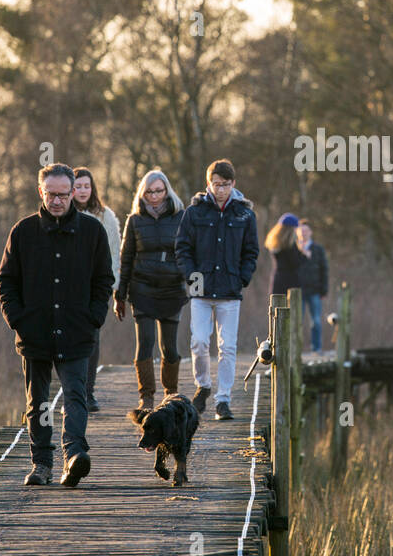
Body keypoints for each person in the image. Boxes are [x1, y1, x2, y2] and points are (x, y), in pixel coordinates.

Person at [0, 163, 114, 487]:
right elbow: (6, 281)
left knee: (76, 395)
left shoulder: (93, 232)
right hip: (34, 331)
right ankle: (42, 464)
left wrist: (94, 317)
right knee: (39, 401)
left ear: (74, 193)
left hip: (77, 330)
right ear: (41, 192)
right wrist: (17, 319)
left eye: (64, 195)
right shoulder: (23, 232)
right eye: (52, 195)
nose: (58, 201)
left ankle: (74, 456)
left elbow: (104, 279)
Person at [175, 159, 259, 422]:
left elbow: (251, 251)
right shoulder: (194, 212)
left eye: (225, 184)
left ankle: (223, 399)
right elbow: (183, 247)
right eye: (216, 184)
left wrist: (242, 278)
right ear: (208, 184)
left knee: (228, 347)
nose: (220, 189)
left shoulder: (245, 214)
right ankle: (203, 385)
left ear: (233, 184)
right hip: (201, 288)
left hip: (230, 290)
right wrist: (192, 277)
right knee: (199, 341)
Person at [114, 169, 188, 413]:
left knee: (170, 348)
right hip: (142, 289)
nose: (154, 196)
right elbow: (126, 259)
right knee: (145, 343)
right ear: (142, 193)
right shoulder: (135, 220)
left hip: (171, 289)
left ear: (167, 191)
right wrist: (120, 295)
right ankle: (146, 396)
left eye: (159, 191)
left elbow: (188, 252)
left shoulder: (180, 216)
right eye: (149, 191)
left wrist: (192, 283)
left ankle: (171, 393)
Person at [72, 167, 120, 413]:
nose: (82, 191)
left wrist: (113, 287)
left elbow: (114, 253)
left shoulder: (106, 216)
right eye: (78, 186)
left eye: (86, 186)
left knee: (92, 340)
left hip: (95, 289)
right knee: (69, 341)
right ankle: (73, 394)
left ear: (93, 189)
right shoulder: (62, 214)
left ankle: (88, 393)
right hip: (68, 289)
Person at [296, 219, 329, 351]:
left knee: (316, 321)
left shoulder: (318, 249)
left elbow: (324, 269)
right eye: (301, 230)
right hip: (297, 292)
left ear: (311, 232)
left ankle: (316, 348)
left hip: (315, 291)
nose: (303, 233)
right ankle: (296, 350)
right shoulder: (293, 248)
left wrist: (324, 290)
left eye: (306, 230)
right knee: (297, 322)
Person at [267, 213, 309, 296]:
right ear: (291, 229)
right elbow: (295, 263)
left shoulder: (276, 244)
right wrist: (305, 255)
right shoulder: (290, 245)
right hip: (291, 285)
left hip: (278, 281)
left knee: (277, 307)